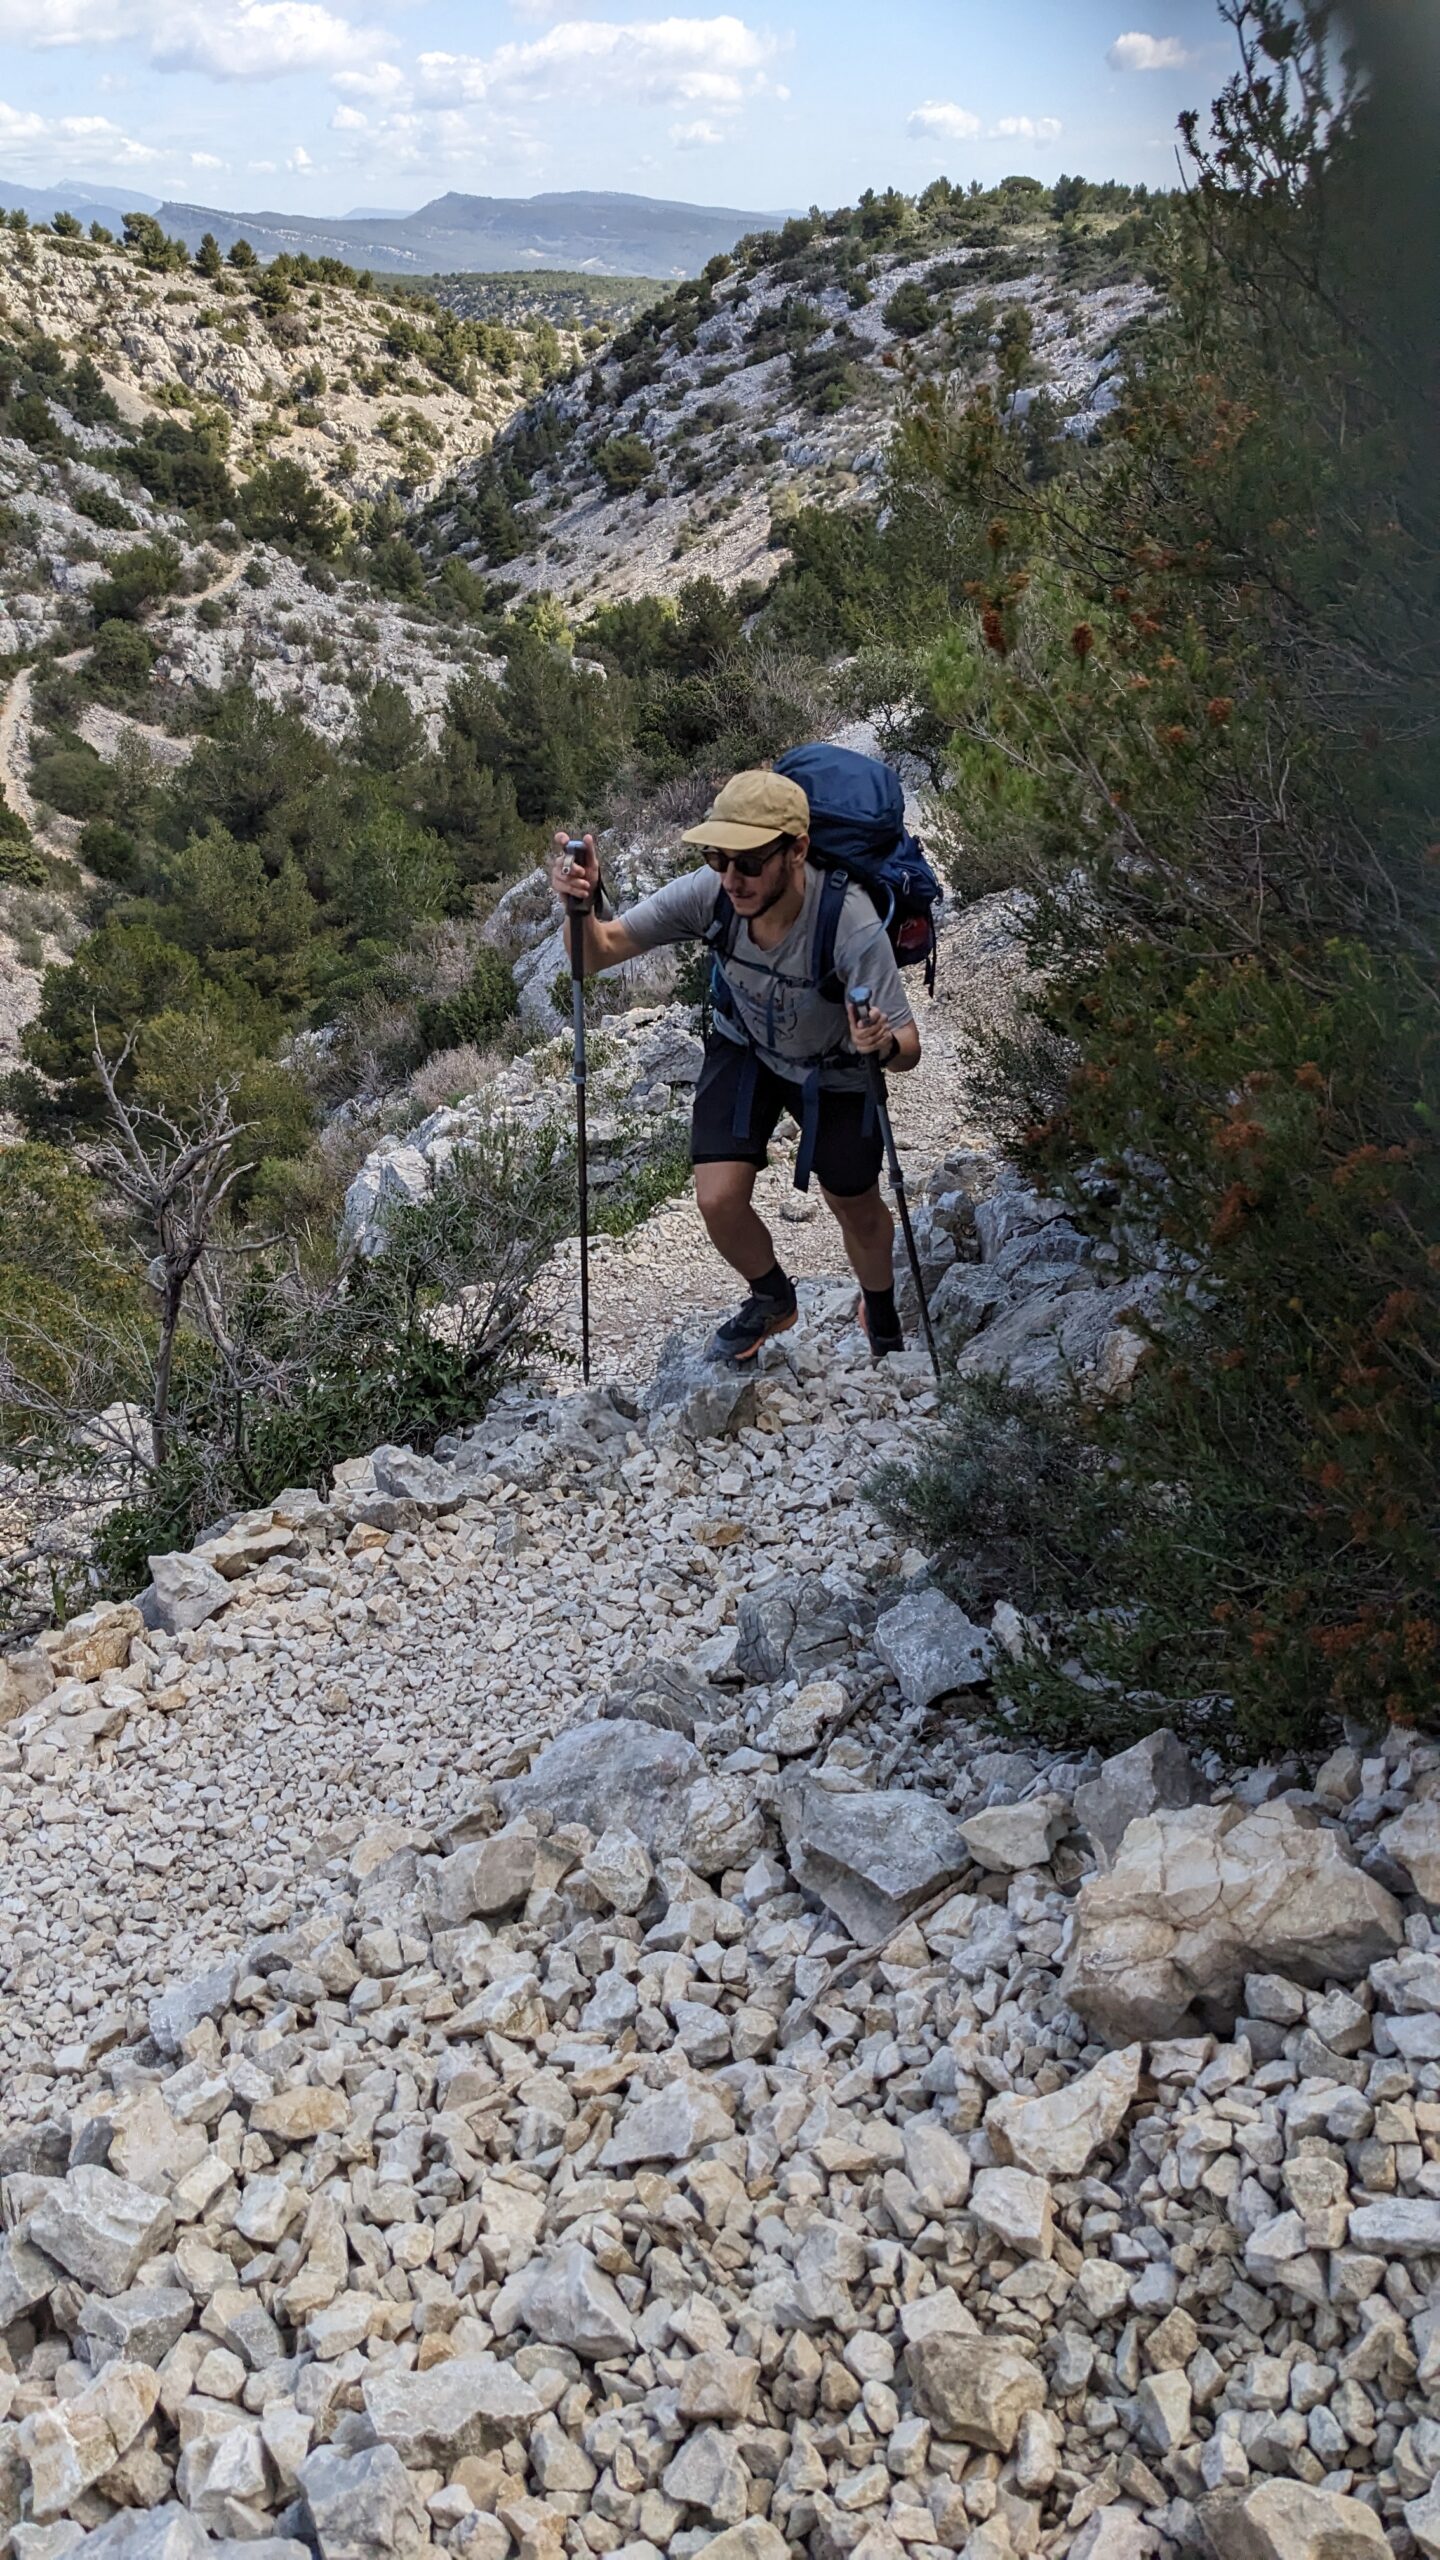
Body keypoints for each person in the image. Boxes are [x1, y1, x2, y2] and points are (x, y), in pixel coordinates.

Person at [550, 766, 922, 1365]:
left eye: (748, 862)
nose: (731, 878)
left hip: (837, 1067)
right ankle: (772, 1295)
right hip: (746, 1045)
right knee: (718, 1198)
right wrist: (581, 910)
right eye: (720, 858)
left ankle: (880, 1308)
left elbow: (908, 1047)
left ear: (797, 851)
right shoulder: (710, 894)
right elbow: (598, 953)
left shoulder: (848, 922)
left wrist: (879, 1042)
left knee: (852, 1200)